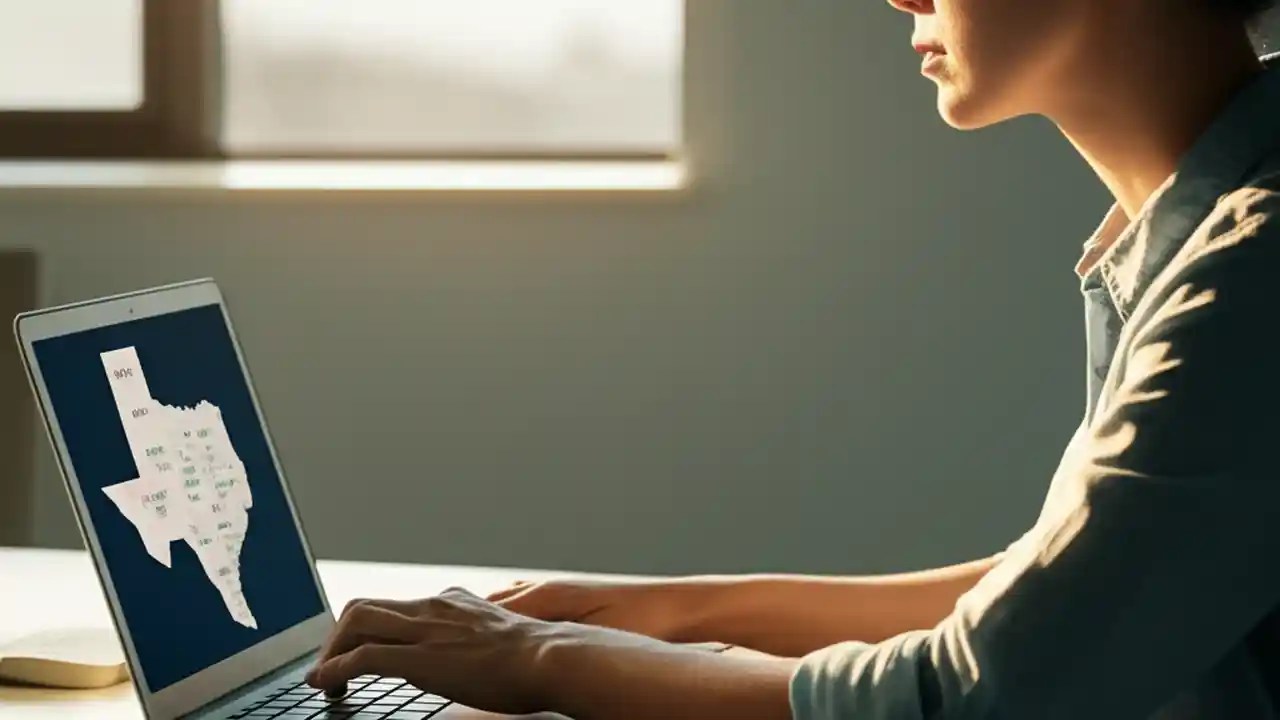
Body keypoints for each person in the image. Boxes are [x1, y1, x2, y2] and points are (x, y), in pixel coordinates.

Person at [305, 0, 1280, 717]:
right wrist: (662, 613)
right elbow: (1058, 592)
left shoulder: (1251, 272)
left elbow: (971, 697)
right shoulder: (1207, 232)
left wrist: (545, 661)